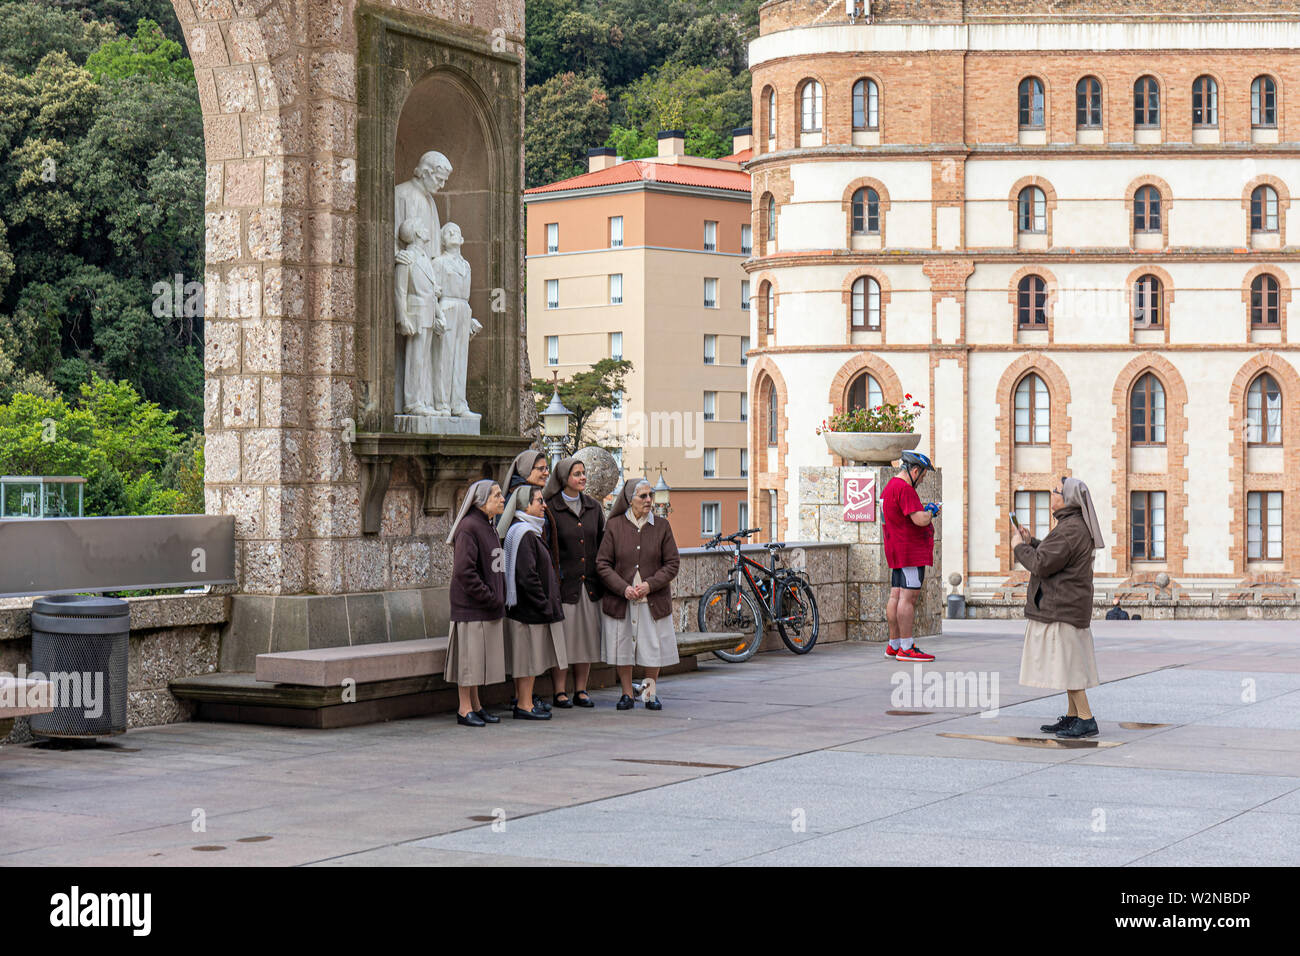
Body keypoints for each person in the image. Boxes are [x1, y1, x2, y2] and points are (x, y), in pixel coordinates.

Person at [1013, 476, 1105, 739]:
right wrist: (1032, 542)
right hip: (1068, 605)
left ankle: (1086, 719)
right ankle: (1074, 716)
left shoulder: (1069, 529)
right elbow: (1054, 556)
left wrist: (1019, 548)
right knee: (1069, 664)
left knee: (1071, 666)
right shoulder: (1072, 526)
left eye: (1055, 491)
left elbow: (1042, 564)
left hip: (1062, 607)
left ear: (1067, 499)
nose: (1051, 494)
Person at [596, 478, 680, 711]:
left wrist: (650, 585)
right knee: (623, 649)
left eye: (650, 495)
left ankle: (649, 693)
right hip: (622, 600)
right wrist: (623, 588)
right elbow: (603, 564)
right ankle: (626, 694)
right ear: (629, 499)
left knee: (652, 649)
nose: (648, 500)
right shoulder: (614, 526)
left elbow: (672, 563)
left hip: (651, 601)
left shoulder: (662, 526)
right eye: (642, 496)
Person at [498, 449, 560, 711]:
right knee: (526, 654)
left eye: (547, 468)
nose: (546, 472)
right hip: (525, 598)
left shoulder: (530, 499)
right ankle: (523, 699)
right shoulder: (519, 502)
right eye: (540, 468)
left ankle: (525, 697)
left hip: (531, 592)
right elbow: (515, 558)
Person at [543, 456, 605, 708]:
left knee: (587, 639)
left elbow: (602, 543)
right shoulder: (550, 507)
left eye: (583, 473)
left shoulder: (593, 507)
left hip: (589, 584)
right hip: (563, 585)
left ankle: (581, 689)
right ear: (563, 478)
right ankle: (559, 691)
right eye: (577, 473)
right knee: (563, 641)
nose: (582, 478)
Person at [445, 479, 507, 727]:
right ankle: (464, 708)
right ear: (481, 501)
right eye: (497, 495)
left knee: (478, 660)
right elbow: (464, 572)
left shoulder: (488, 525)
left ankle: (476, 705)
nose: (503, 499)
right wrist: (490, 596)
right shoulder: (469, 527)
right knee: (469, 662)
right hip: (471, 607)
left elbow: (496, 564)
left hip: (487, 605)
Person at [503, 486, 568, 720]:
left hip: (526, 608)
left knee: (527, 661)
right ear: (525, 505)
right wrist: (543, 602)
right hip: (528, 609)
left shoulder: (525, 531)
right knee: (527, 661)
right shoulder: (525, 534)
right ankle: (525, 704)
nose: (544, 505)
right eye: (539, 501)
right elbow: (527, 575)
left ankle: (525, 702)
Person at [881, 450, 940, 662]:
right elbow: (920, 520)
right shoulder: (904, 489)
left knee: (895, 596)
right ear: (914, 470)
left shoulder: (889, 487)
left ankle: (893, 644)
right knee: (908, 598)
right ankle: (906, 647)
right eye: (922, 476)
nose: (922, 480)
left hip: (897, 550)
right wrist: (931, 511)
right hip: (910, 552)